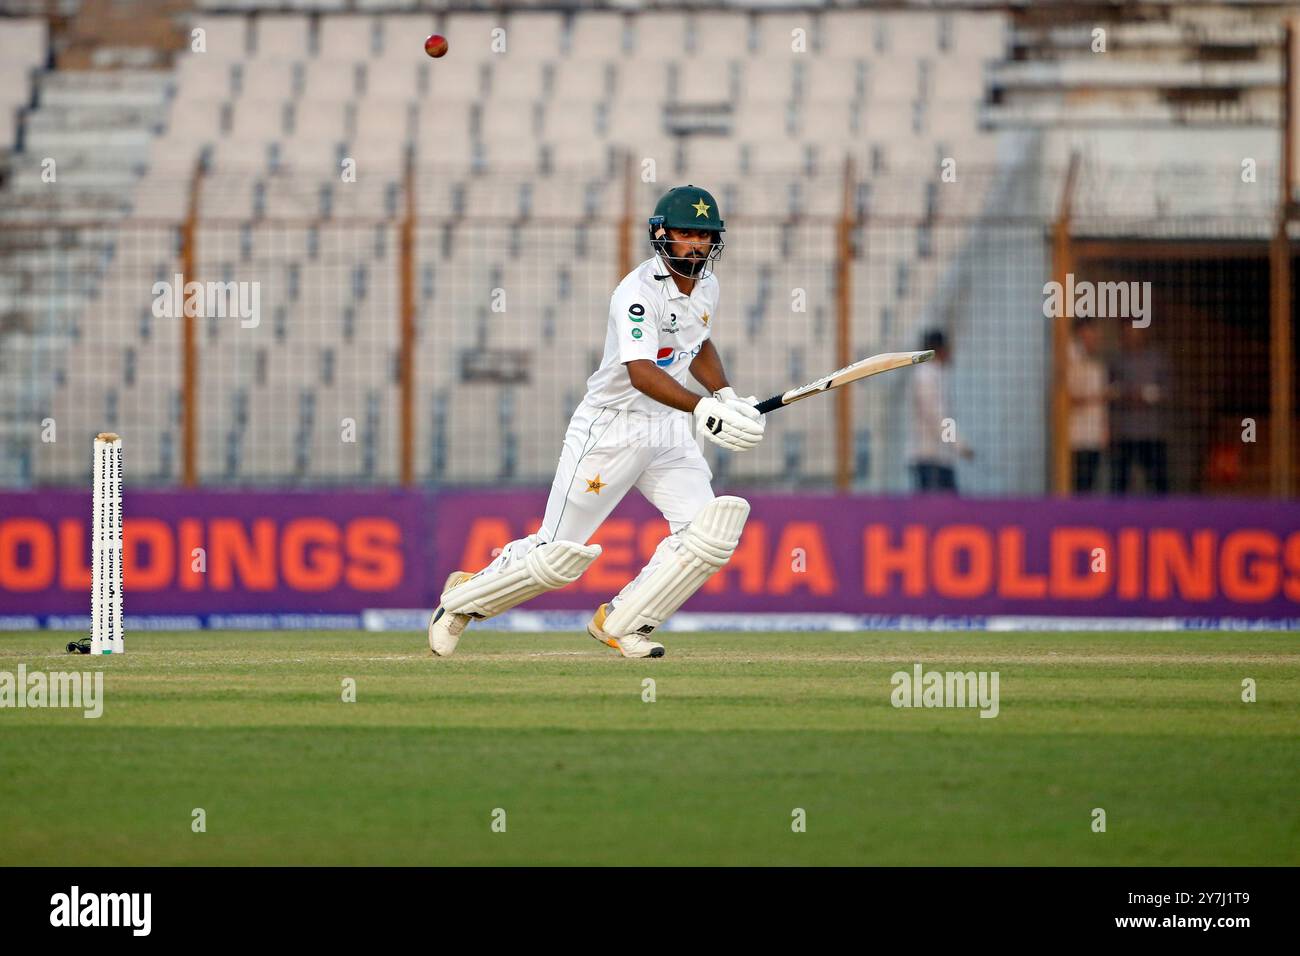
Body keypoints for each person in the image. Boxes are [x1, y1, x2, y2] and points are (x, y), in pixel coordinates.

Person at [427, 185, 765, 659]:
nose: (697, 244)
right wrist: (703, 408)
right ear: (662, 235)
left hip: (666, 428)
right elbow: (641, 371)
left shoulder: (708, 285)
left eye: (705, 236)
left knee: (707, 534)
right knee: (557, 556)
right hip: (613, 426)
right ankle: (462, 601)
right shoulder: (636, 292)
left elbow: (698, 341)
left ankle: (622, 621)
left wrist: (725, 394)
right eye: (687, 233)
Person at [905, 329, 971, 491]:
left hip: (939, 457)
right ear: (938, 349)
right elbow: (936, 416)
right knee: (941, 512)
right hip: (929, 458)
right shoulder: (925, 376)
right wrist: (959, 444)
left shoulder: (937, 374)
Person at [1109, 323, 1171, 494]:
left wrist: (1145, 396)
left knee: (1158, 482)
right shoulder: (1116, 360)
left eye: (1135, 331)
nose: (1132, 335)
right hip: (1125, 431)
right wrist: (1125, 395)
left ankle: (1161, 518)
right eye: (1127, 332)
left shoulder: (1156, 359)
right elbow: (1110, 389)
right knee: (1120, 483)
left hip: (1151, 431)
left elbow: (1167, 390)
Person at [1067, 317, 1109, 492]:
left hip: (1093, 436)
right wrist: (1096, 397)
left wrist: (1104, 429)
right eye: (1089, 333)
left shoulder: (1097, 364)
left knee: (1089, 484)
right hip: (1075, 437)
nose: (1093, 338)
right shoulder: (1070, 359)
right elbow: (1068, 396)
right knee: (1076, 485)